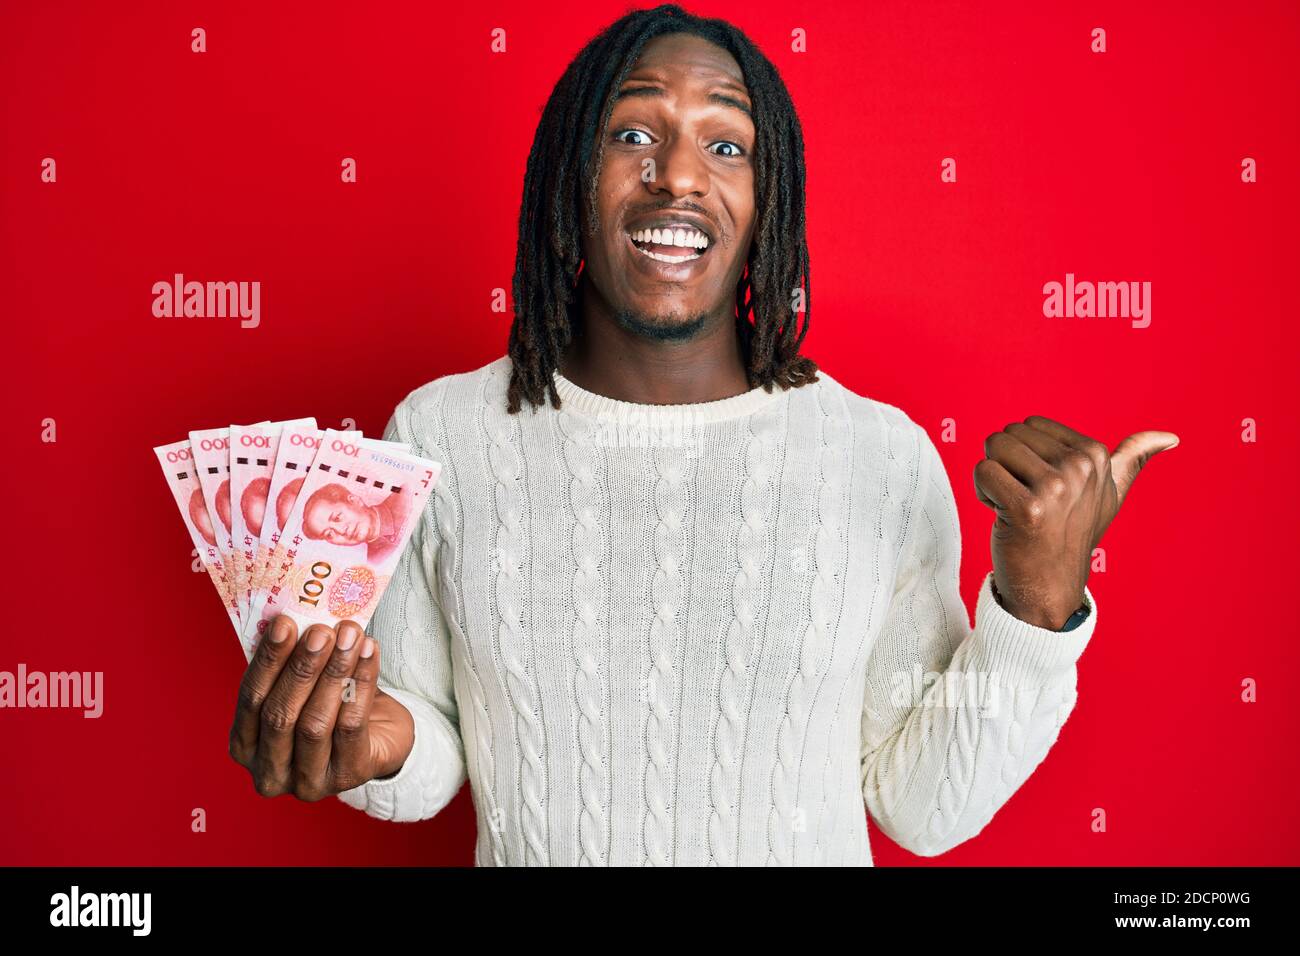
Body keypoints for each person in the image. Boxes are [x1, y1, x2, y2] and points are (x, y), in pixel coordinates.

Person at [228, 4, 1176, 866]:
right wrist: (377, 745)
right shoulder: (439, 434)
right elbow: (429, 752)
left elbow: (924, 807)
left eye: (728, 147)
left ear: (770, 203)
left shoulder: (879, 458)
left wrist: (1039, 605)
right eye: (633, 134)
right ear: (569, 180)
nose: (678, 174)